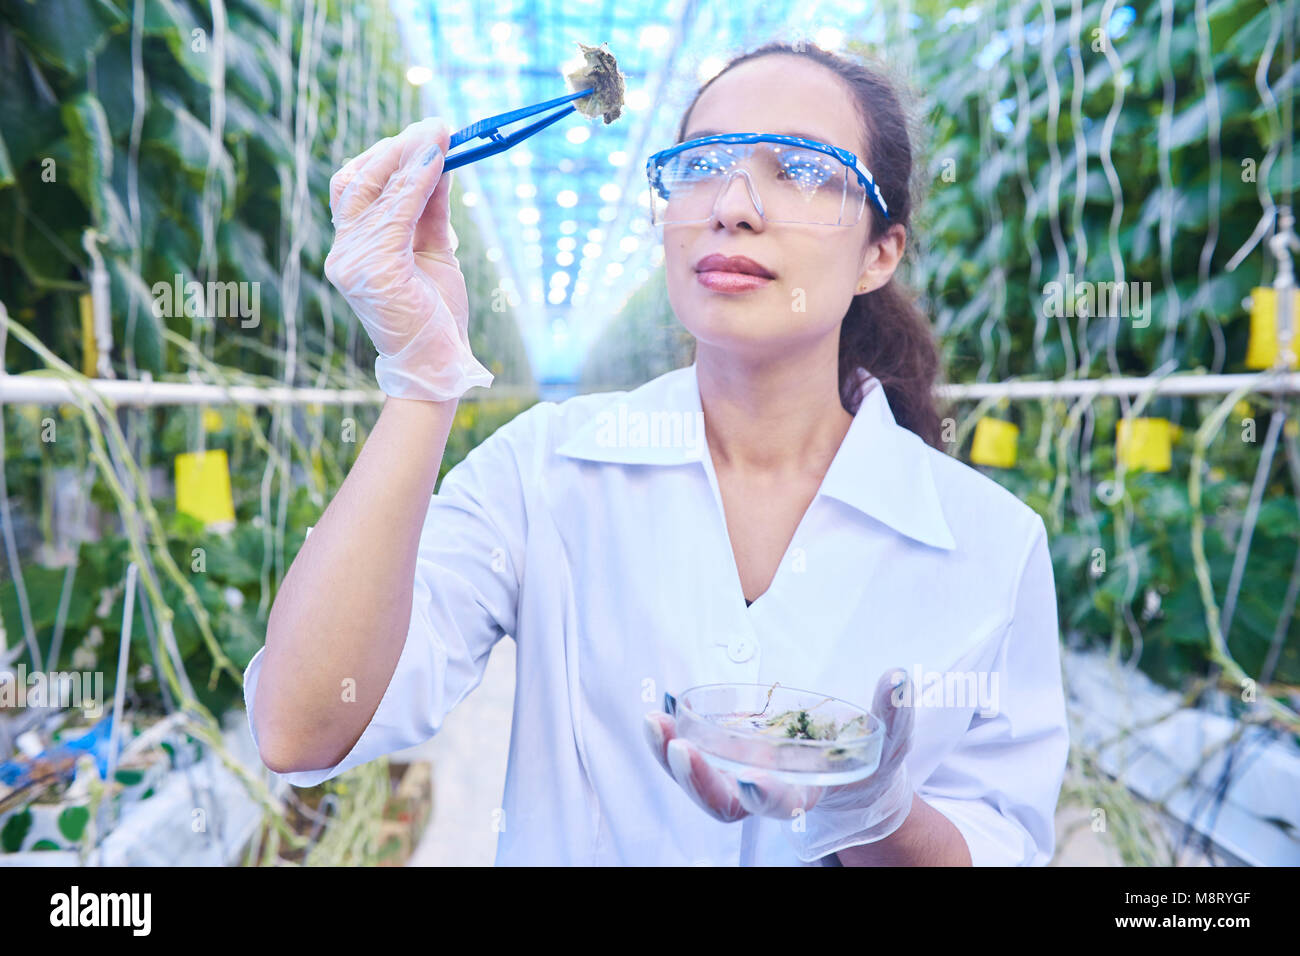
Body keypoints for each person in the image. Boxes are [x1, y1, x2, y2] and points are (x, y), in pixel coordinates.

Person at [245, 41, 1069, 866]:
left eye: (801, 169)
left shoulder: (993, 544)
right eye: (702, 163)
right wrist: (423, 380)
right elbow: (303, 725)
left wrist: (874, 812)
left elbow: (1003, 839)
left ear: (878, 255)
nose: (734, 205)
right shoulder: (547, 468)